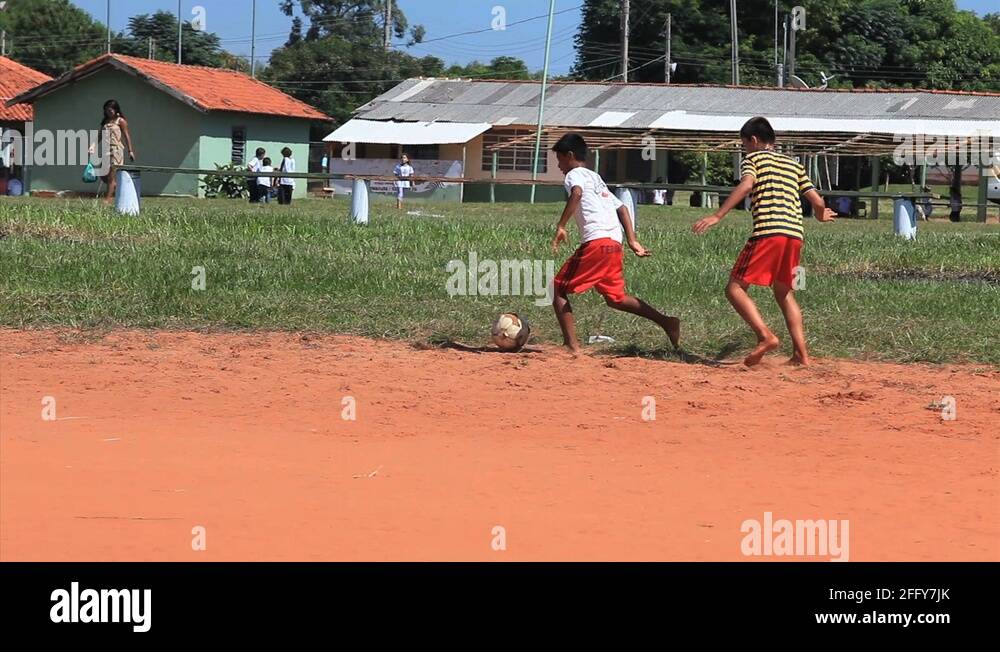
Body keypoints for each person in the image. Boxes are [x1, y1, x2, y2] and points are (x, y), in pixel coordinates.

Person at [692, 116, 836, 367]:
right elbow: (817, 200)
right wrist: (822, 214)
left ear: (754, 140)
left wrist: (717, 215)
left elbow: (747, 185)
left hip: (769, 233)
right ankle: (802, 355)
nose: (744, 149)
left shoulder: (754, 159)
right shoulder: (793, 165)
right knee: (784, 292)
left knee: (734, 288)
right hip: (794, 236)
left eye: (744, 144)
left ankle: (765, 336)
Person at [550, 133, 680, 355]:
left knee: (557, 289)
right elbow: (621, 208)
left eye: (560, 159)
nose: (559, 165)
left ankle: (571, 346)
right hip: (613, 244)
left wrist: (562, 225)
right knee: (616, 299)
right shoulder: (595, 177)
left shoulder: (574, 175)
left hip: (596, 243)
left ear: (570, 156)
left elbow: (577, 193)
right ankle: (667, 322)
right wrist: (632, 240)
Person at [94, 100, 135, 205]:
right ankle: (115, 187)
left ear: (115, 109)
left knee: (111, 175)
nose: (108, 111)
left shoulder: (120, 121)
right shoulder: (105, 122)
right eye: (106, 110)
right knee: (103, 174)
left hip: (116, 150)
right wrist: (93, 145)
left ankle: (108, 199)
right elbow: (100, 135)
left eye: (110, 109)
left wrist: (130, 151)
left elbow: (126, 136)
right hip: (106, 150)